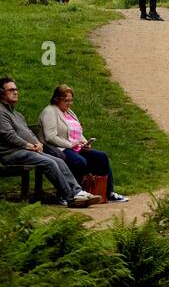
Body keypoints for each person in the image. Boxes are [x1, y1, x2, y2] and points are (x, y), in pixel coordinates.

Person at [0, 77, 100, 207]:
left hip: (26, 150)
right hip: (11, 153)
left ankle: (78, 191)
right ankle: (71, 198)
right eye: (11, 90)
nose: (15, 92)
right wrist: (29, 145)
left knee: (58, 160)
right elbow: (9, 136)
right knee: (49, 162)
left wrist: (38, 143)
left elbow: (28, 133)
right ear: (2, 93)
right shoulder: (1, 112)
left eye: (16, 89)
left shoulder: (17, 114)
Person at [38, 85, 128, 202]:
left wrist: (85, 143)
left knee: (101, 156)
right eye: (66, 101)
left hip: (75, 147)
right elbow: (50, 137)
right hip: (58, 148)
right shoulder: (50, 112)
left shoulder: (69, 112)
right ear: (57, 99)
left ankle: (108, 192)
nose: (69, 103)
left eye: (71, 100)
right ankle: (70, 193)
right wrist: (70, 144)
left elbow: (77, 131)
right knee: (79, 161)